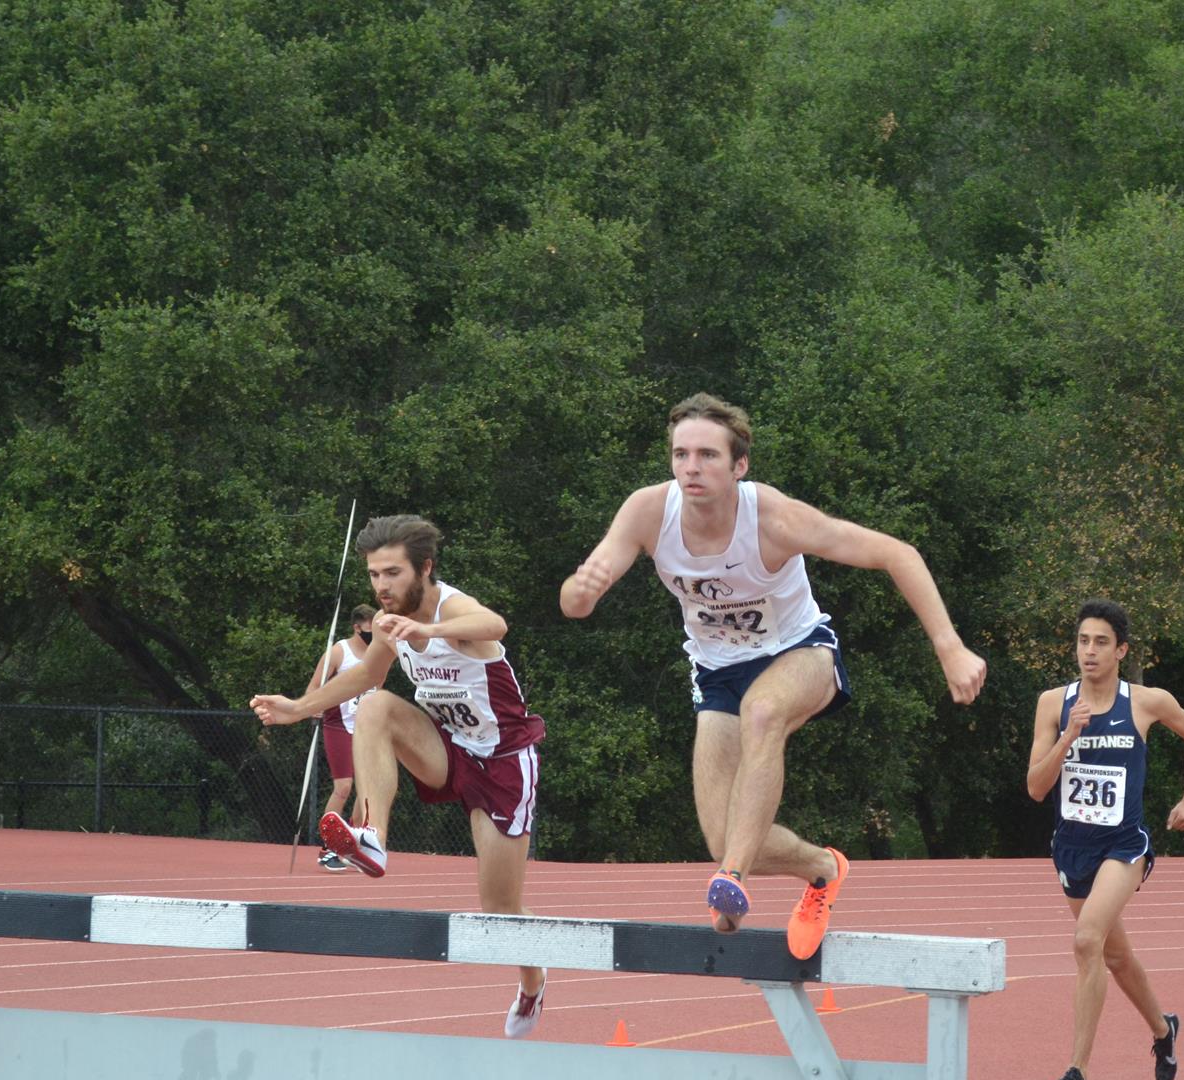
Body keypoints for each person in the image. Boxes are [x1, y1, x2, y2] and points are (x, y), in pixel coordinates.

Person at [560, 392, 986, 959]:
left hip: (801, 653)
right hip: (717, 674)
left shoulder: (776, 520)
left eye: (708, 455)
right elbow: (574, 603)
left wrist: (950, 647)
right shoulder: (646, 512)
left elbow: (899, 553)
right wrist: (581, 594)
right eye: (681, 454)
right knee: (724, 833)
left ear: (740, 466)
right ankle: (819, 868)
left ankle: (729, 880)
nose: (692, 467)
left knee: (762, 714)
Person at [250, 516, 549, 1038]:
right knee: (375, 705)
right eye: (373, 576)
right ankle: (374, 838)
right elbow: (365, 674)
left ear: (425, 569)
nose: (382, 587)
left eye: (392, 573)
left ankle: (532, 980)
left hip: (503, 760)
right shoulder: (387, 624)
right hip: (448, 750)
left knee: (498, 906)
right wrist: (298, 708)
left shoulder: (450, 608)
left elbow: (494, 625)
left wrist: (429, 630)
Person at [1025, 599, 1184, 1080]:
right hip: (1072, 850)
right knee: (1117, 957)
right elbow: (1036, 788)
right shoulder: (1053, 704)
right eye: (1083, 640)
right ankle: (1163, 1029)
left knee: (1087, 941)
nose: (1089, 651)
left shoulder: (1146, 702)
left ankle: (1077, 1070)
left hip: (1123, 846)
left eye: (1101, 642)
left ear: (1120, 650)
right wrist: (1069, 736)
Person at [307, 604, 378, 873]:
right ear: (357, 627)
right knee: (344, 787)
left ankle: (354, 844)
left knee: (368, 792)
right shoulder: (340, 652)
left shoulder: (378, 654)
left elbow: (377, 690)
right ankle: (328, 847)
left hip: (366, 729)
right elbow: (315, 685)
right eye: (371, 629)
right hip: (338, 725)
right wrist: (313, 705)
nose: (376, 635)